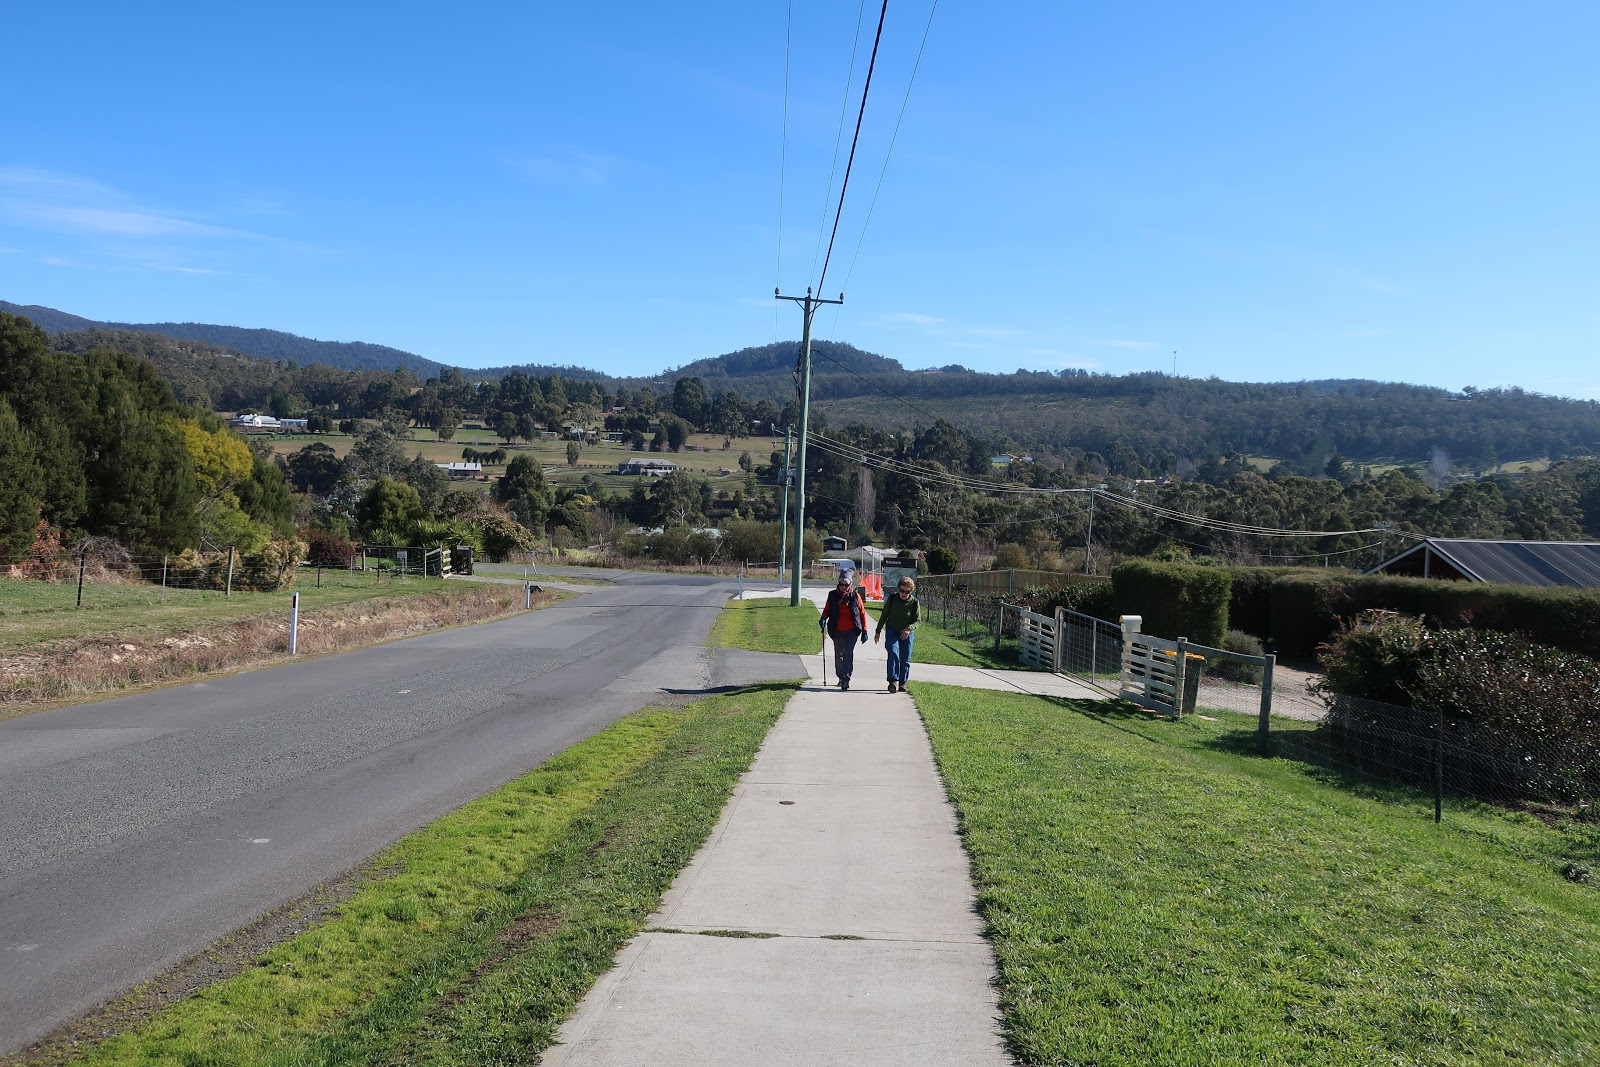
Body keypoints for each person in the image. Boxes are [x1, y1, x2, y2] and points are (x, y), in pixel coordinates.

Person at [818, 571, 868, 691]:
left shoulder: (855, 596)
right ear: (838, 583)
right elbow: (827, 610)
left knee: (848, 653)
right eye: (841, 584)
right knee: (838, 655)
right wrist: (823, 618)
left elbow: (862, 613)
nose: (844, 587)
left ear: (850, 584)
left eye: (846, 585)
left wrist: (865, 630)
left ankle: (846, 678)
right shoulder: (832, 595)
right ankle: (840, 677)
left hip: (852, 631)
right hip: (837, 630)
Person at [874, 577, 920, 692]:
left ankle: (903, 682)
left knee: (905, 657)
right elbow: (884, 615)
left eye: (907, 591)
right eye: (902, 590)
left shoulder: (914, 603)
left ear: (911, 591)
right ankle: (893, 681)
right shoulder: (893, 598)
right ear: (898, 589)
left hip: (906, 632)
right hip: (892, 629)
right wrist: (878, 631)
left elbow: (918, 620)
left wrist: (909, 629)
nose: (904, 593)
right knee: (892, 651)